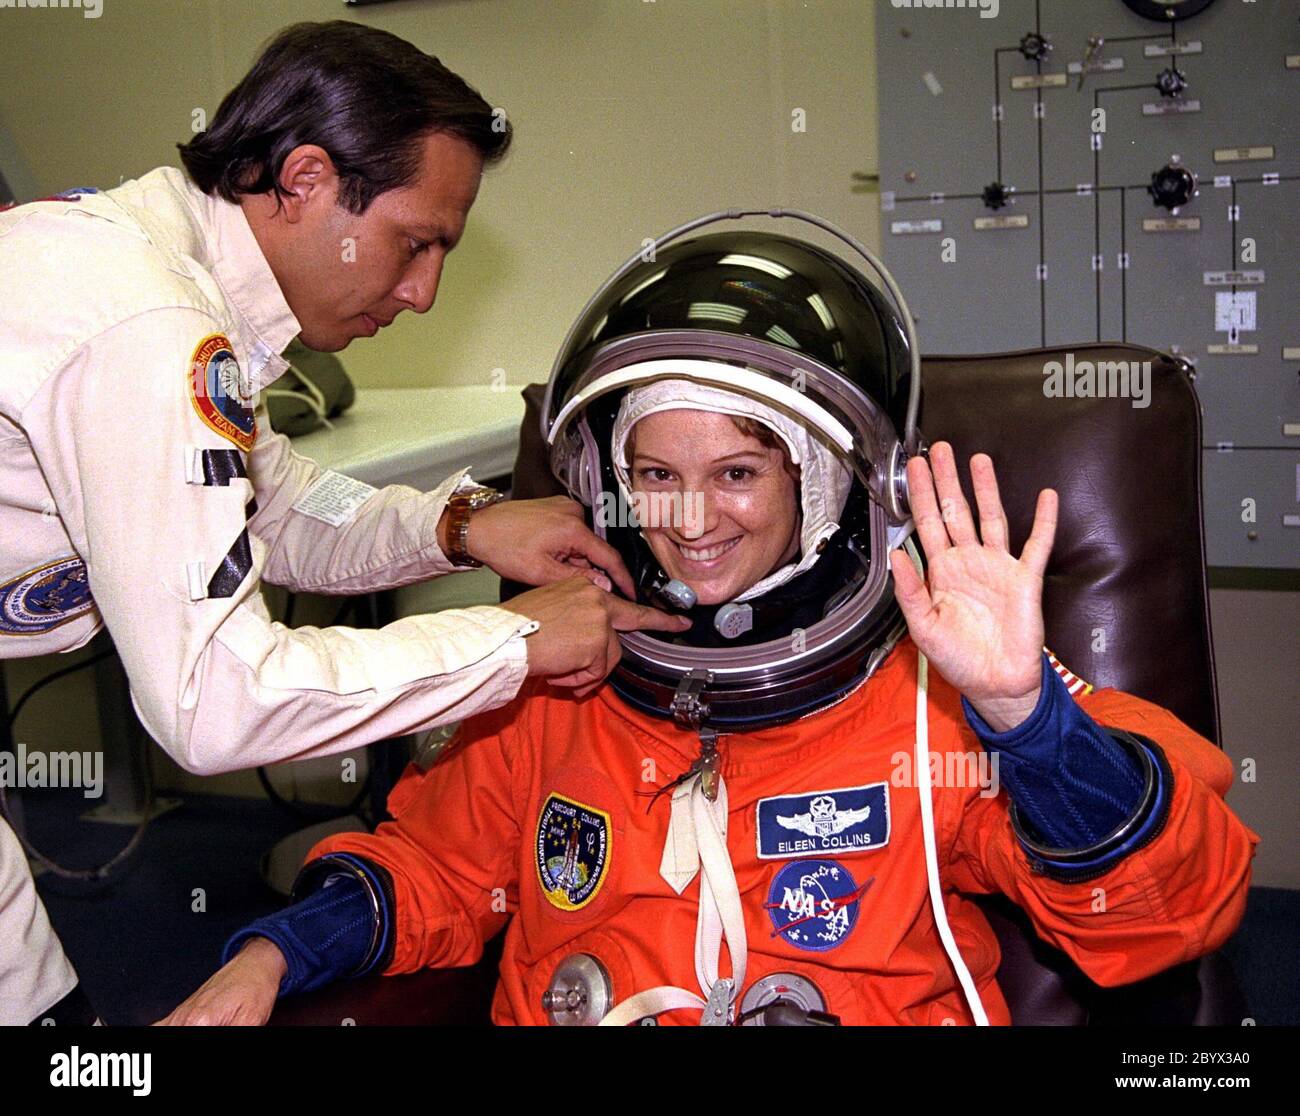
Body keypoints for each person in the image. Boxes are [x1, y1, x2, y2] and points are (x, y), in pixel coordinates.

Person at [161, 221, 1258, 1026]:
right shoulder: (553, 686)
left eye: (736, 471)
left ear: (825, 487)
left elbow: (1156, 919)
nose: (688, 518)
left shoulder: (935, 704)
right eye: (654, 473)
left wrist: (1024, 717)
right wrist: (266, 957)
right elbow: (437, 871)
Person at [0, 20, 686, 1025]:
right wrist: (510, 642)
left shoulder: (161, 270)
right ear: (306, 178)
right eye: (416, 244)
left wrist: (463, 524)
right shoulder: (145, 326)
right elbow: (212, 703)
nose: (421, 292)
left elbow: (284, 502)